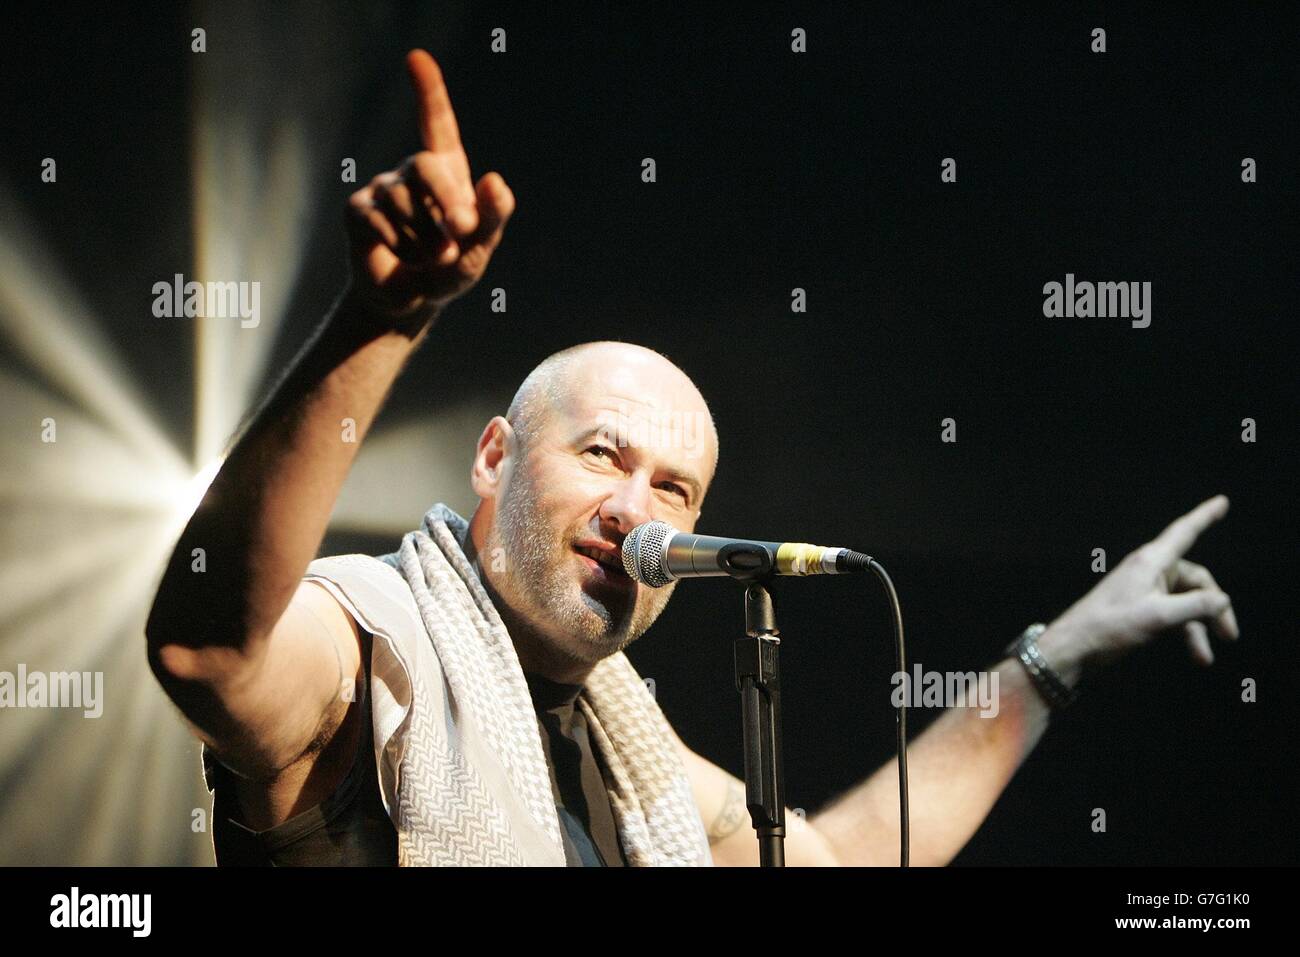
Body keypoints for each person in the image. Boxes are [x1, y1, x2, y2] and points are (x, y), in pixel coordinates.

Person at [145, 49, 1240, 867]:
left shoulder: (630, 749)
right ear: (494, 459)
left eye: (672, 485)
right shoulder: (371, 645)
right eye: (601, 454)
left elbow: (840, 862)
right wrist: (376, 323)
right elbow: (208, 652)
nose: (639, 508)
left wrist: (1057, 659)